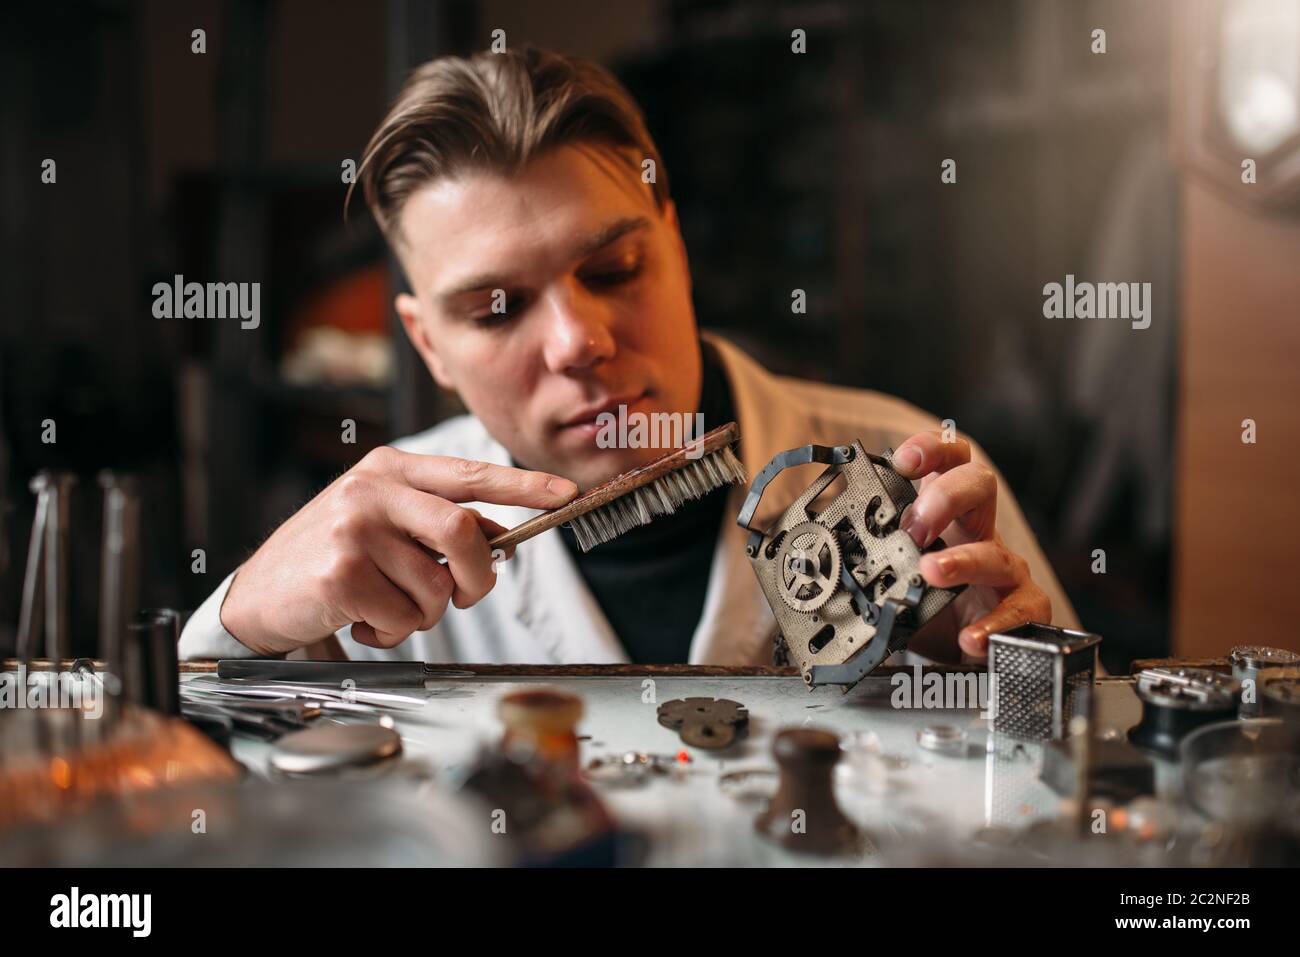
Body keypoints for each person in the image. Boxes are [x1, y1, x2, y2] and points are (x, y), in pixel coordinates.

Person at [179, 48, 1076, 667]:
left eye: (614, 269)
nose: (579, 341)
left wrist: (990, 682)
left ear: (675, 247)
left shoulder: (914, 481)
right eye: (496, 309)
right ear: (428, 346)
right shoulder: (372, 559)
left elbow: (1092, 801)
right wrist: (237, 622)